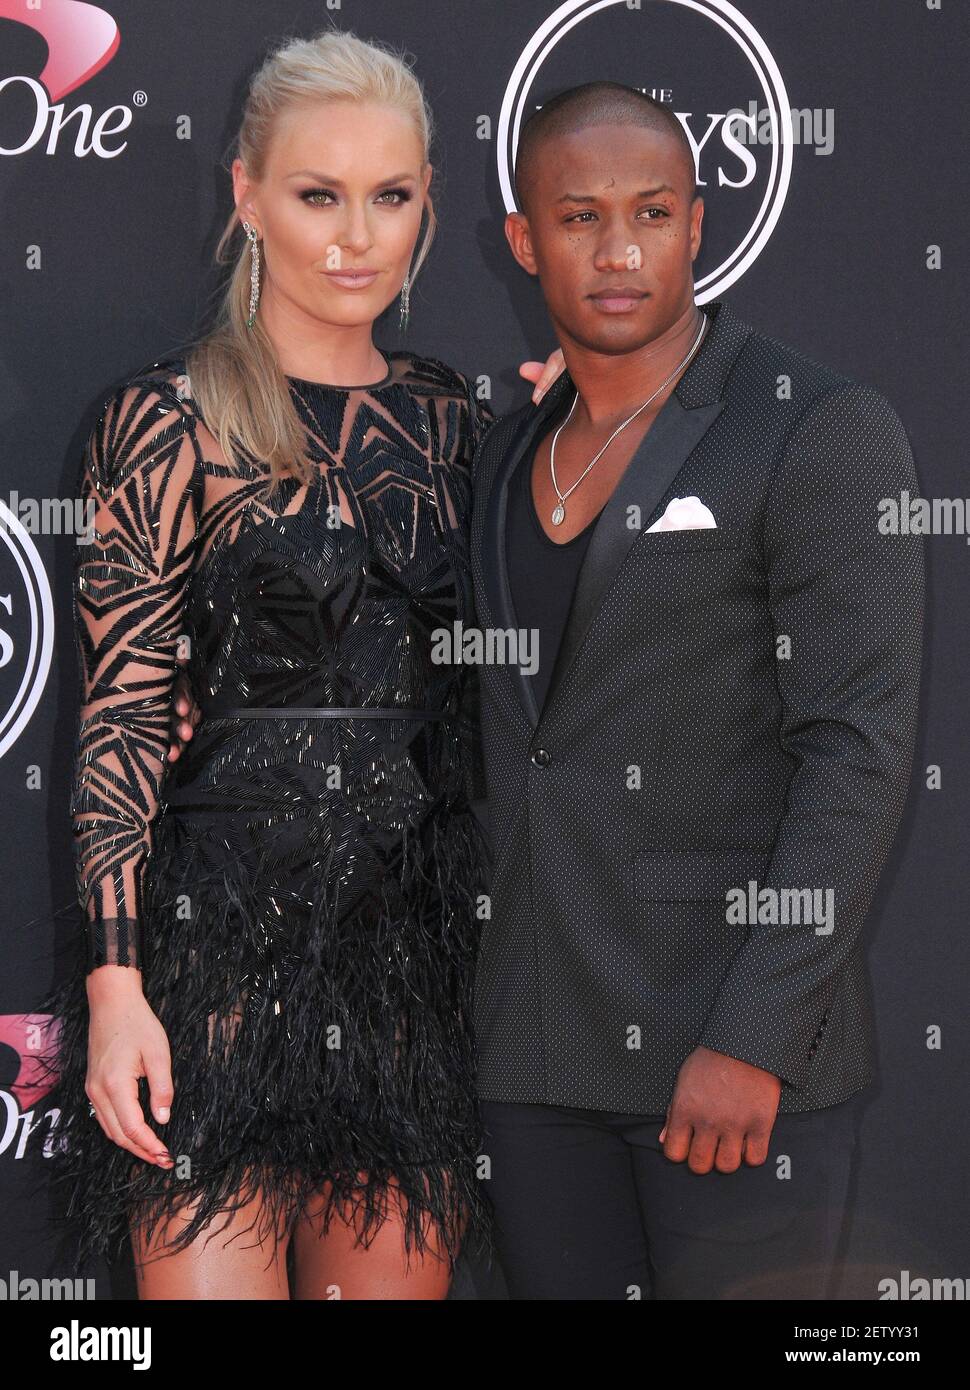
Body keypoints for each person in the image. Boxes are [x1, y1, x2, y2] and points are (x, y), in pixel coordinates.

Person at [37, 28, 560, 1301]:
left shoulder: (464, 426)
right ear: (247, 195)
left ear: (429, 200)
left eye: (391, 196)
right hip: (209, 982)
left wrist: (582, 447)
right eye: (318, 195)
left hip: (409, 984)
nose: (356, 238)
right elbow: (118, 719)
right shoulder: (166, 420)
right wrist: (116, 985)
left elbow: (542, 683)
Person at [463, 83, 924, 1299]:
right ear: (523, 239)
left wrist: (751, 1037)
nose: (618, 251)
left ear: (697, 224)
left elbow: (857, 754)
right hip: (531, 1057)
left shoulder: (813, 427)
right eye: (580, 217)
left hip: (723, 1059)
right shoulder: (504, 452)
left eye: (651, 213)